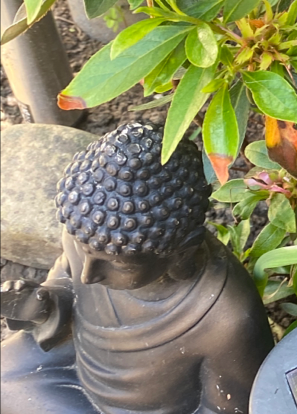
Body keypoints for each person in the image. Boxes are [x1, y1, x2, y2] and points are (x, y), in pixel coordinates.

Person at [1, 122, 274, 414]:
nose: (89, 275)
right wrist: (45, 305)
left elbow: (230, 408)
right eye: (84, 251)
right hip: (73, 363)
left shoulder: (227, 319)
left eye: (119, 264)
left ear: (181, 253)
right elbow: (69, 280)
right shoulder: (90, 232)